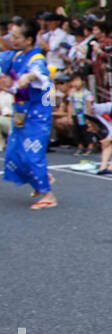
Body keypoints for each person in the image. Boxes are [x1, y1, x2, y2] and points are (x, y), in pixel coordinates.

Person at [1, 18, 56, 209]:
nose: (13, 39)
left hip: (37, 113)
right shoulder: (16, 56)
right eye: (12, 36)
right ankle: (40, 179)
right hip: (20, 111)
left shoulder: (36, 58)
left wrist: (28, 76)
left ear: (29, 39)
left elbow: (39, 73)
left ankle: (48, 195)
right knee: (13, 153)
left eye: (16, 37)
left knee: (32, 154)